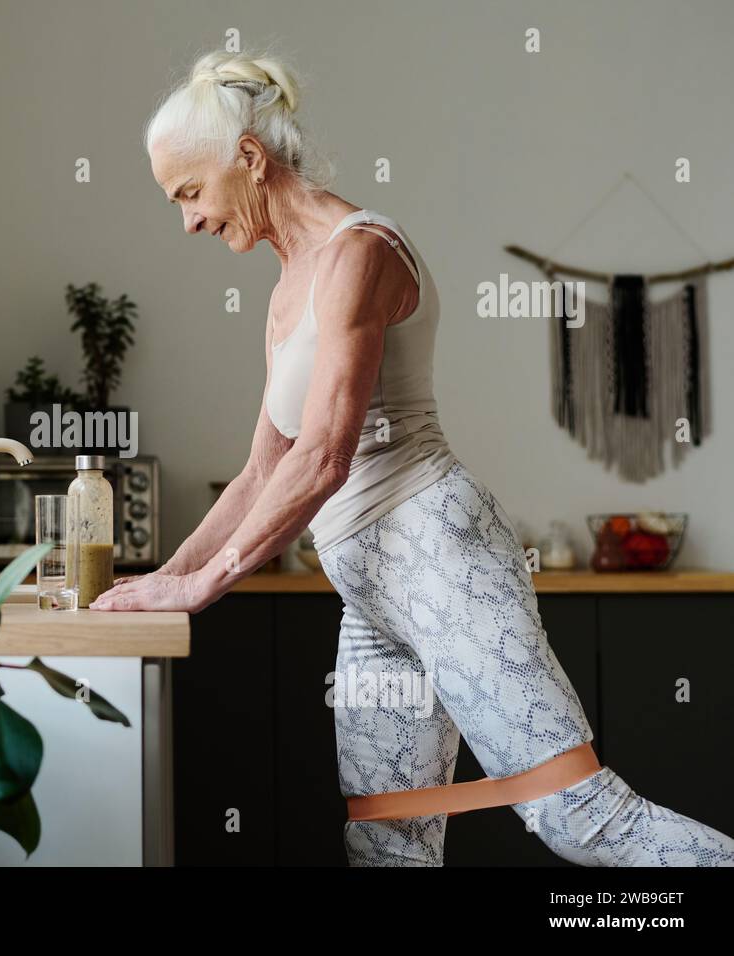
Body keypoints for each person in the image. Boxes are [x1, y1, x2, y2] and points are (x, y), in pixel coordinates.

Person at [91, 50, 734, 867]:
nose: (187, 220)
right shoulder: (289, 290)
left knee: (581, 818)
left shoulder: (361, 253)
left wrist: (201, 587)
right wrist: (163, 582)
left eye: (188, 192)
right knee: (387, 840)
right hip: (372, 597)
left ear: (248, 160)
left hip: (439, 559)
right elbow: (261, 472)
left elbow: (324, 456)